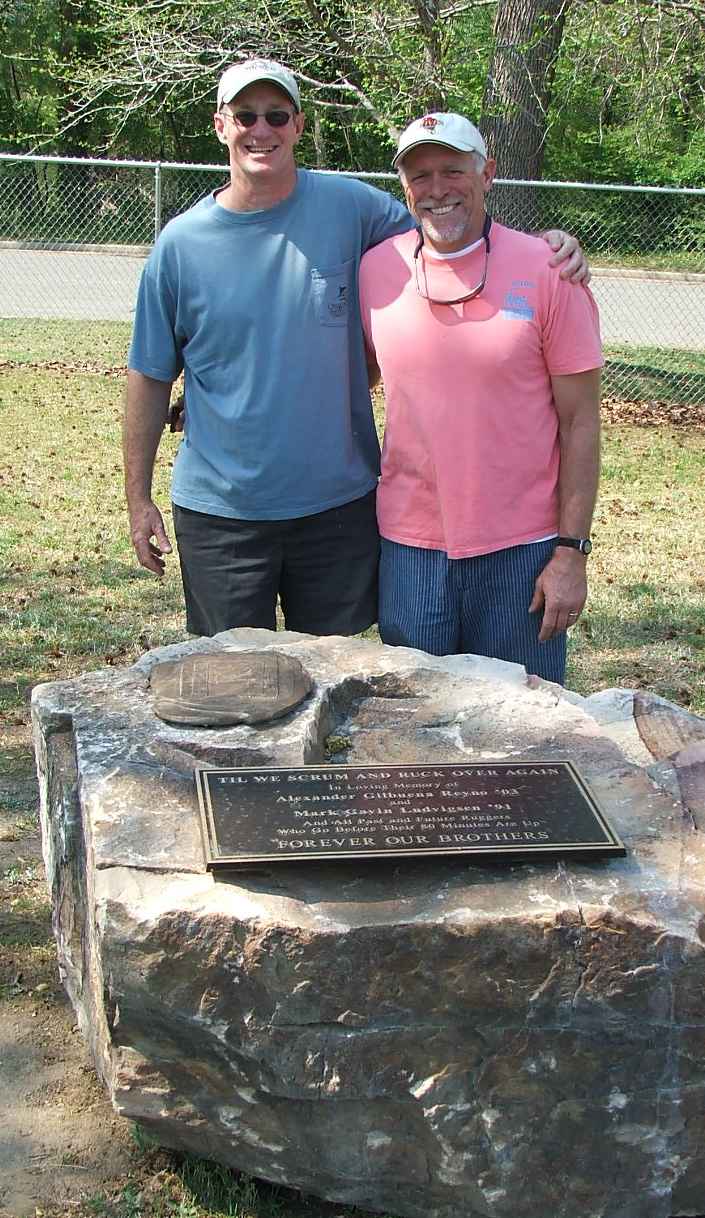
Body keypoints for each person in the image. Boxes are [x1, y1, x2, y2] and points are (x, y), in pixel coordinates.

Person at [124, 59, 591, 640]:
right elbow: (147, 374)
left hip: (337, 510)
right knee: (233, 689)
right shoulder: (180, 245)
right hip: (222, 513)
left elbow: (449, 225)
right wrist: (138, 497)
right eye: (246, 116)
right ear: (222, 125)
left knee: (336, 685)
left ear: (298, 124)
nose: (260, 130)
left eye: (276, 115)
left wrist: (549, 248)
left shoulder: (355, 211)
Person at [358, 112, 602, 684]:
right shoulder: (377, 270)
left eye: (452, 170)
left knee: (523, 739)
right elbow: (343, 376)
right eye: (420, 176)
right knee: (418, 731)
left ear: (488, 173)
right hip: (410, 548)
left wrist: (571, 553)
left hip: (524, 550)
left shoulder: (549, 271)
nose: (437, 189)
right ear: (404, 188)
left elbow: (581, 422)